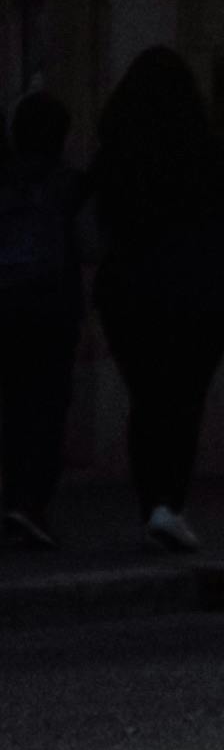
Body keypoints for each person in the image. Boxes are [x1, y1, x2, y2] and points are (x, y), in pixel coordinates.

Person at [90, 47, 224, 553]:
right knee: (184, 399)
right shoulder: (213, 152)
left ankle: (152, 505)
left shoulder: (115, 153)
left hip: (131, 290)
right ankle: (169, 503)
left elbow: (102, 221)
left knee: (148, 399)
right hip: (200, 291)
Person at [0, 93, 90, 547]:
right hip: (53, 311)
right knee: (47, 407)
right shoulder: (68, 184)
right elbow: (90, 244)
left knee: (12, 406)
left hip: (7, 307)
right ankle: (30, 503)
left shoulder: (5, 180)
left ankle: (12, 496)